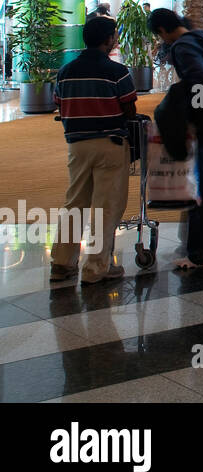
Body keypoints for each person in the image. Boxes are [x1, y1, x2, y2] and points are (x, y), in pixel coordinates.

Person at [50, 17, 138, 285]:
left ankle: (62, 263)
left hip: (77, 146)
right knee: (106, 206)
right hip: (110, 145)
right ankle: (95, 268)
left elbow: (60, 105)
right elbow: (129, 108)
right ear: (108, 40)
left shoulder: (65, 72)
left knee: (74, 202)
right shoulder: (118, 71)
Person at [148, 7, 203, 269]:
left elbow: (199, 81)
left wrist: (195, 117)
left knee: (200, 189)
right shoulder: (200, 37)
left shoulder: (183, 47)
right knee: (201, 186)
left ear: (162, 30)